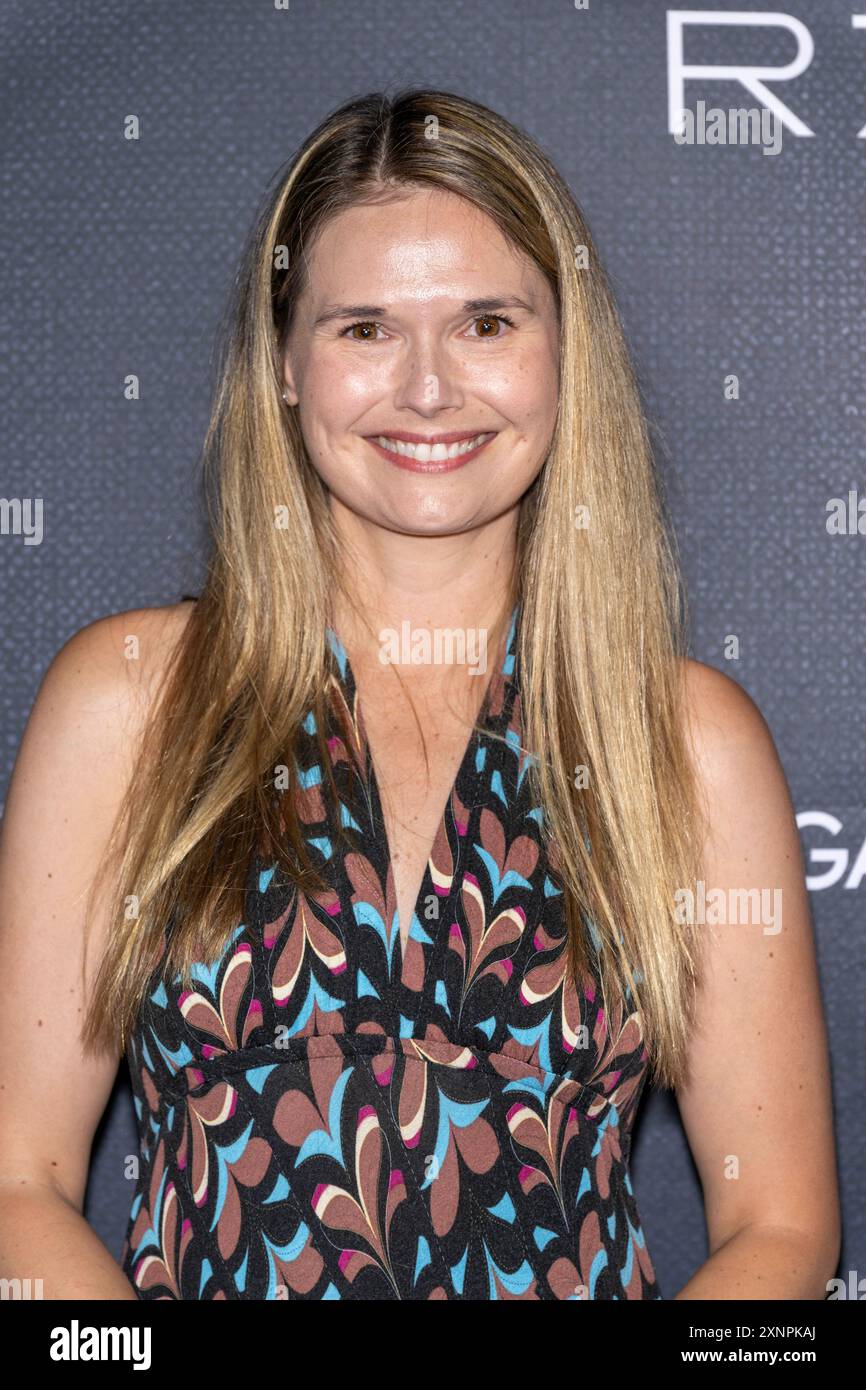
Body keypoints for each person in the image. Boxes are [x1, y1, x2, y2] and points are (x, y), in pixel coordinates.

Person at [0, 87, 839, 1301]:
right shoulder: (128, 708)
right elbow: (18, 1186)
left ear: (563, 350)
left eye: (487, 323)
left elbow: (782, 1233)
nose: (430, 389)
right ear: (284, 364)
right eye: (363, 330)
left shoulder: (684, 742)